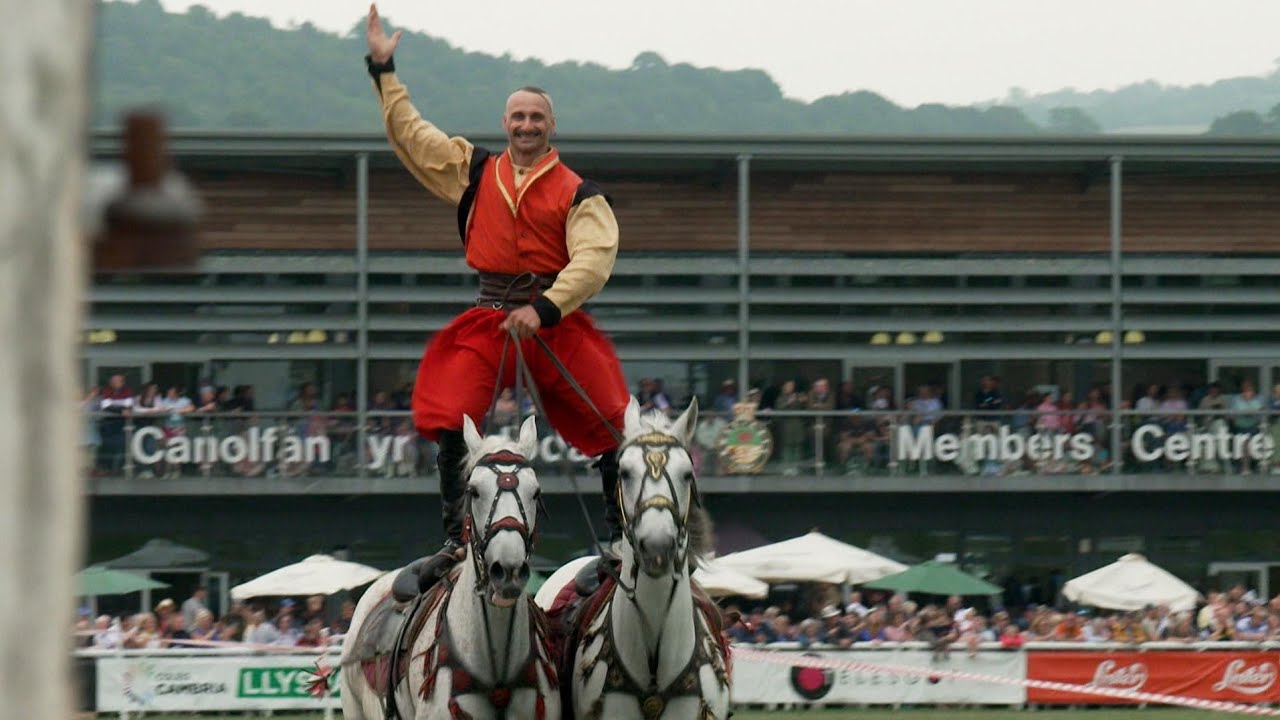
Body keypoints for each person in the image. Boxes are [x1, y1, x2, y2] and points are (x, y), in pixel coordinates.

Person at [364, 5, 630, 599]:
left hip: (552, 319)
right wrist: (384, 70)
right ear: (505, 122)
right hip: (489, 315)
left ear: (550, 126)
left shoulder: (578, 193)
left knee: (612, 415)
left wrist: (546, 308)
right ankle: (457, 541)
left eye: (536, 116)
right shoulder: (475, 171)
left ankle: (621, 541)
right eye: (518, 116)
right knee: (451, 412)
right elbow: (413, 136)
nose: (526, 125)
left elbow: (593, 258)